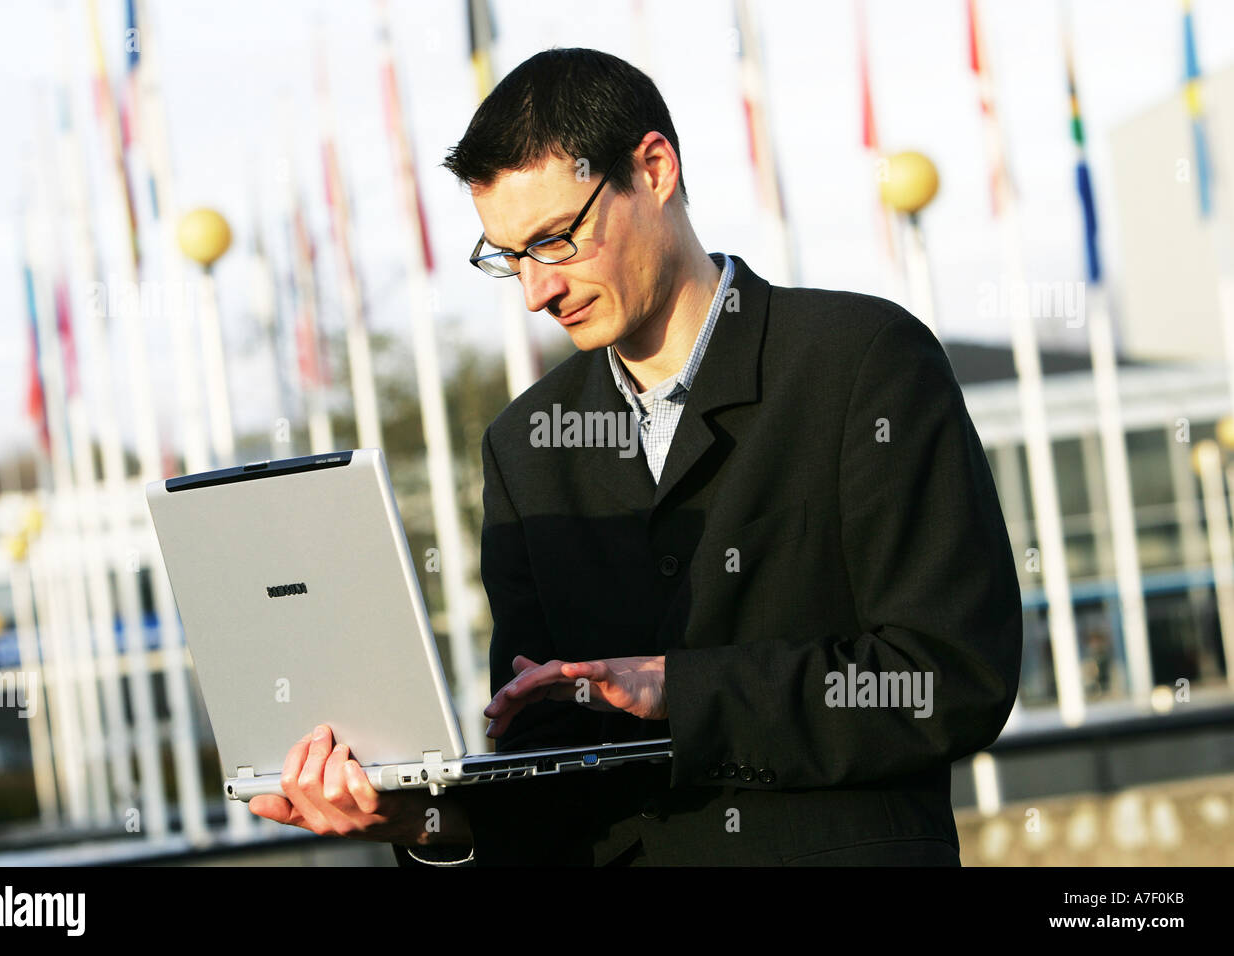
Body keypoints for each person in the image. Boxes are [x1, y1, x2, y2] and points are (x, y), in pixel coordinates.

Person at [249, 47, 1023, 866]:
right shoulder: (524, 447)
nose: (535, 292)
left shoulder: (863, 362)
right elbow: (546, 779)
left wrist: (679, 691)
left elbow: (948, 675)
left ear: (653, 169)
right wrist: (418, 822)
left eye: (554, 241)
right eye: (508, 258)